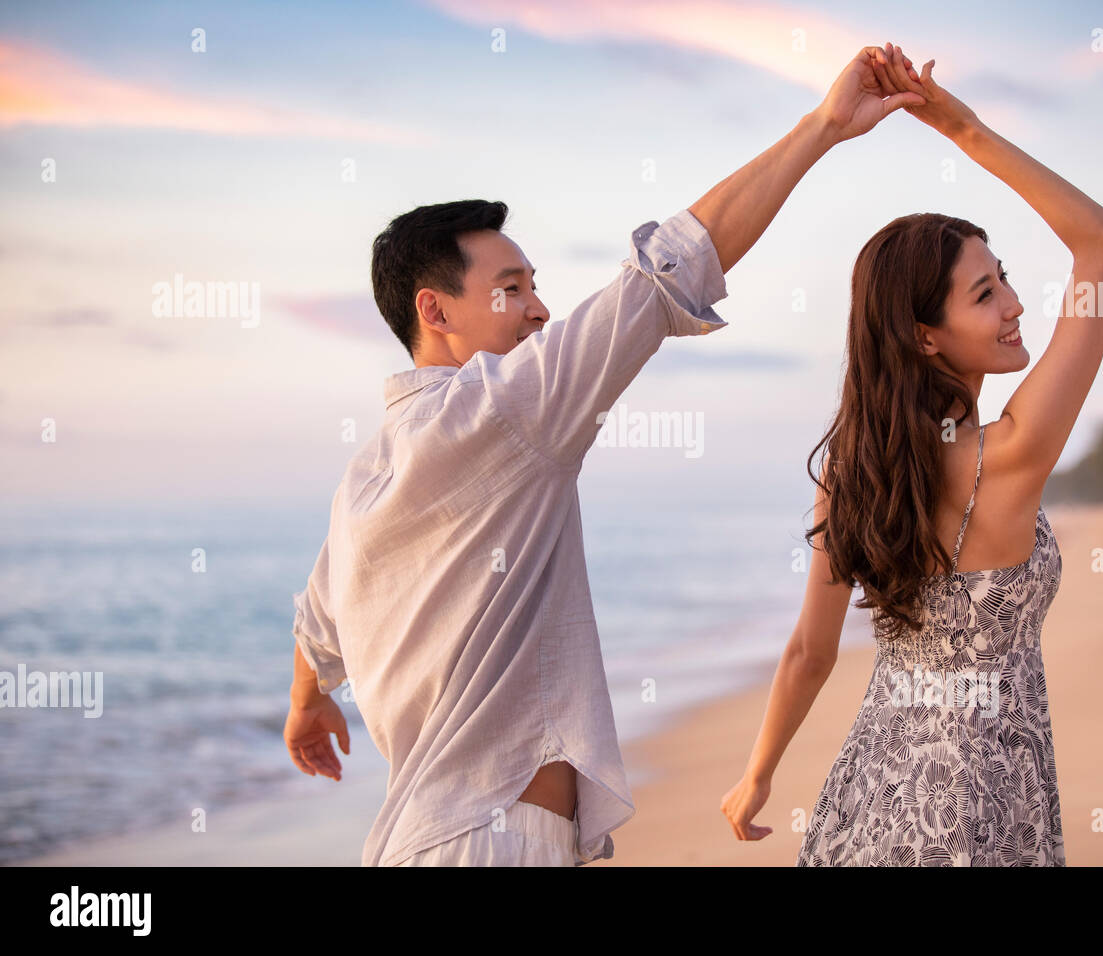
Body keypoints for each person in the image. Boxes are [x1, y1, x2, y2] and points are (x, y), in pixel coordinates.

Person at [282, 45, 928, 867]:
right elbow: (666, 273)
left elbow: (317, 627)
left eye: (534, 284)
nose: (539, 308)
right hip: (492, 844)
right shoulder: (502, 408)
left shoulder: (365, 477)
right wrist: (823, 127)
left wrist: (306, 707)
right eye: (510, 288)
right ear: (433, 310)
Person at [720, 43, 1103, 865]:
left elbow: (811, 651)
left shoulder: (855, 471)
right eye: (985, 294)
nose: (1016, 305)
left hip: (870, 798)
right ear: (922, 334)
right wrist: (957, 123)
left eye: (1004, 277)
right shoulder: (1008, 456)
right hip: (977, 810)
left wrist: (758, 773)